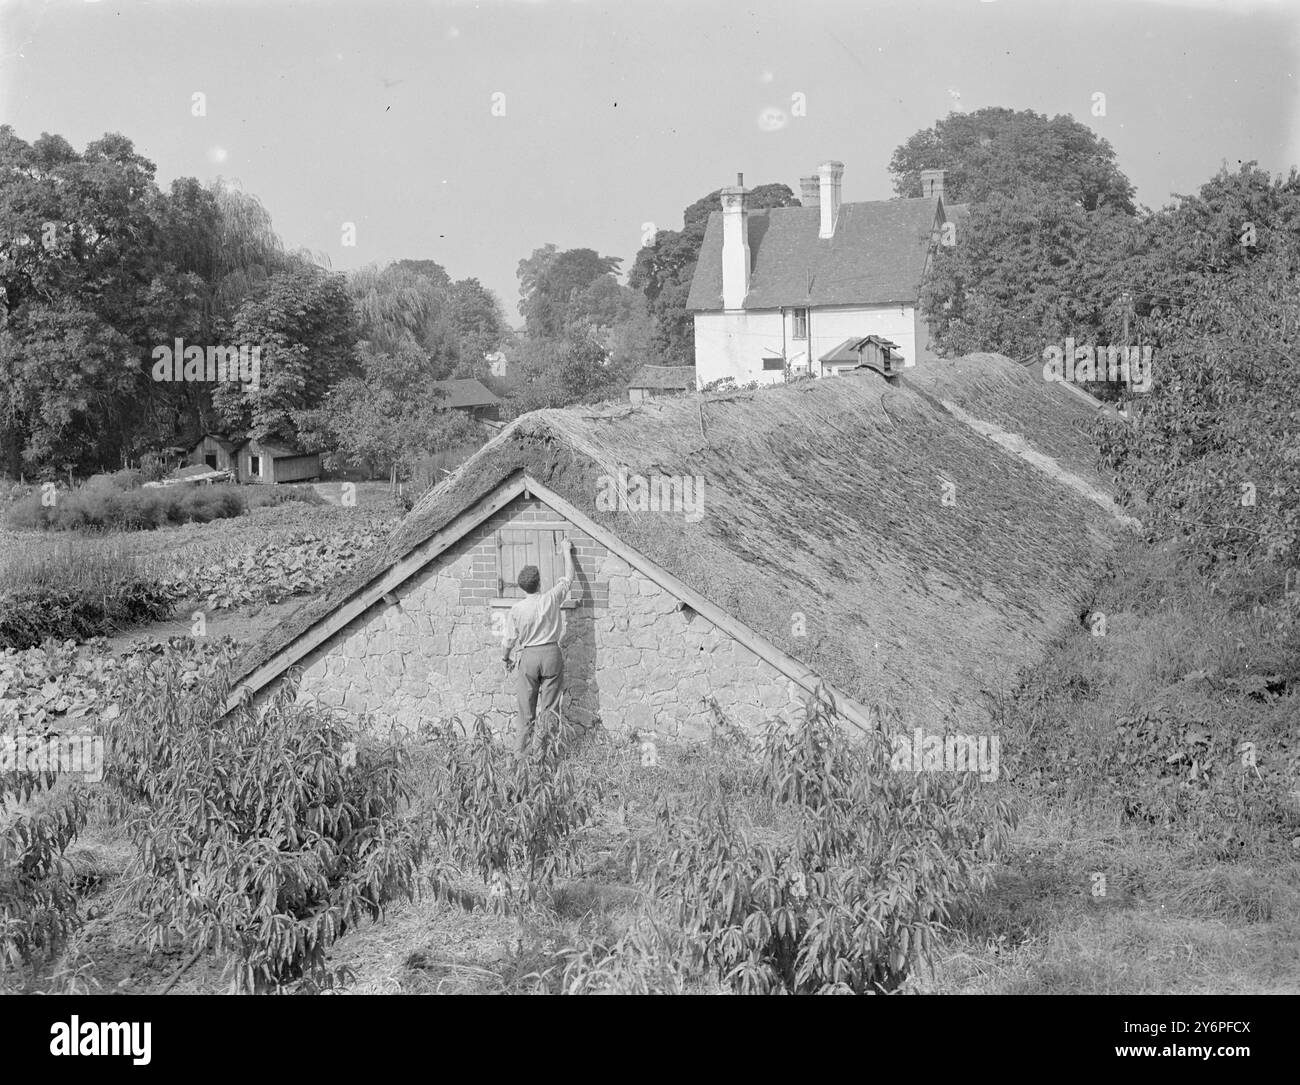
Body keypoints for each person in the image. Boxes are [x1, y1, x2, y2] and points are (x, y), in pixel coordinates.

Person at [502, 538, 575, 754]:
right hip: (552, 653)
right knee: (550, 710)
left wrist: (505, 659)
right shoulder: (551, 598)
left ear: (521, 586)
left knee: (526, 711)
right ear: (540, 583)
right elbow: (569, 578)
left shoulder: (516, 610)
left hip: (529, 656)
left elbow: (508, 641)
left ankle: (520, 758)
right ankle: (544, 756)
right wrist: (566, 551)